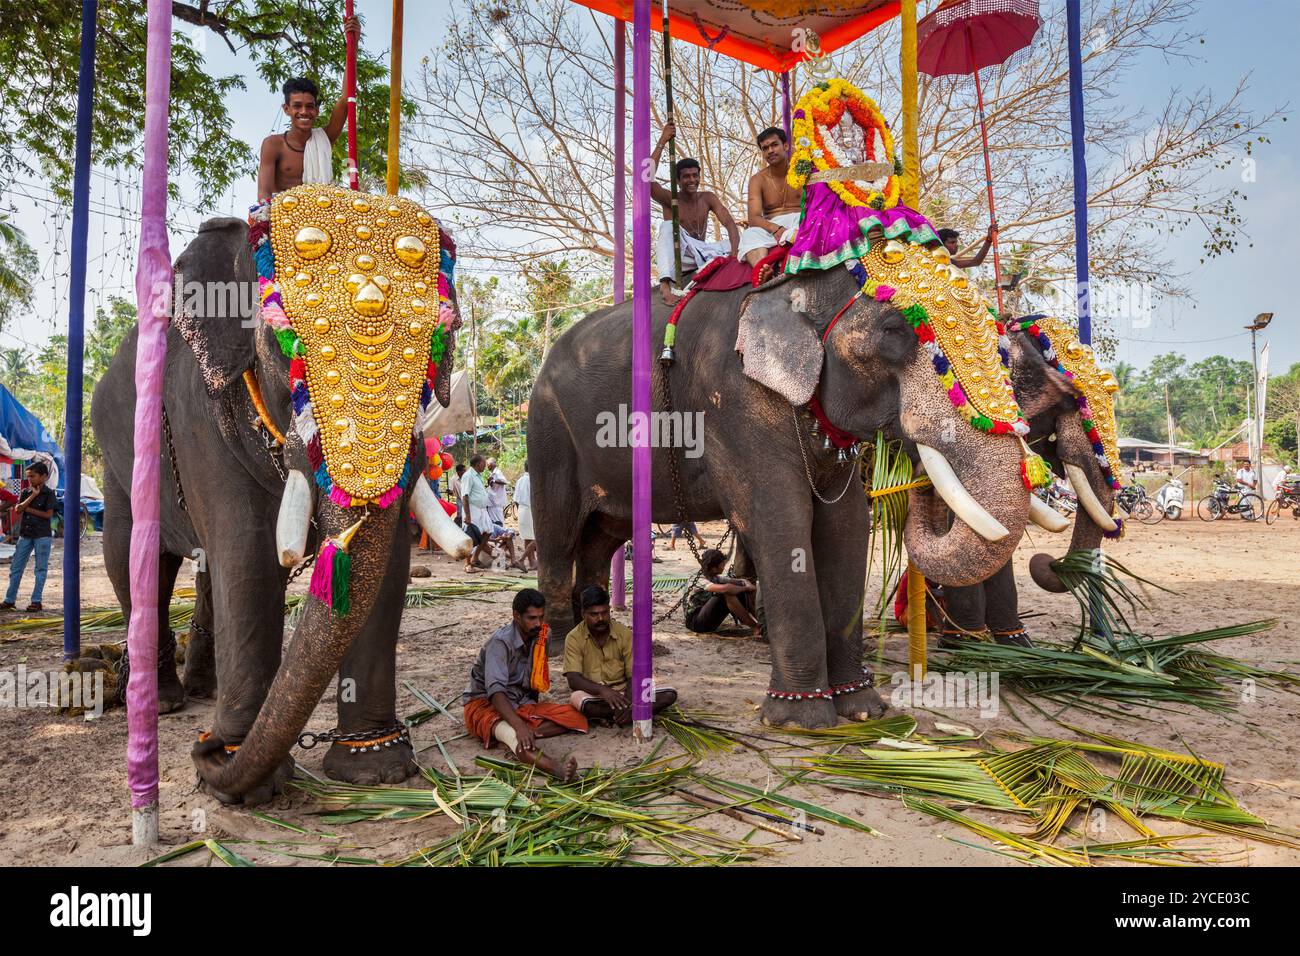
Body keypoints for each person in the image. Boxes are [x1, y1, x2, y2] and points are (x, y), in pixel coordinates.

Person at [462, 589, 587, 780]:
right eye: (531, 618)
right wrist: (519, 726)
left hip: (521, 703)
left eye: (541, 617)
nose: (538, 623)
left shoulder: (544, 635)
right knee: (516, 738)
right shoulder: (500, 643)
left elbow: (534, 682)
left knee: (576, 717)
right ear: (516, 616)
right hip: (485, 705)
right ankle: (557, 769)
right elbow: (495, 693)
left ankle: (528, 731)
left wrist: (528, 716)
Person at [255, 16, 361, 199]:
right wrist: (262, 225)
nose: (304, 112)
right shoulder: (273, 144)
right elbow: (264, 194)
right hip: (286, 222)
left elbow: (345, 99)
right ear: (287, 109)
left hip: (323, 218)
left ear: (316, 111)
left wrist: (353, 44)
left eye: (309, 106)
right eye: (297, 106)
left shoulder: (324, 138)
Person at [651, 122, 739, 305]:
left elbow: (729, 223)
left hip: (704, 252)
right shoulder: (670, 198)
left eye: (694, 175)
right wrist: (662, 140)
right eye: (686, 176)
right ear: (678, 180)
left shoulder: (708, 197)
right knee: (667, 227)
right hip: (681, 257)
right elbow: (645, 181)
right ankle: (665, 286)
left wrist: (736, 251)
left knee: (743, 238)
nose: (692, 180)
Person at [563, 586, 677, 724]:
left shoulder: (624, 633)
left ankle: (618, 715)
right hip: (596, 695)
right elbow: (573, 679)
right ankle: (634, 713)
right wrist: (603, 690)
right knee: (581, 701)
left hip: (627, 692)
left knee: (669, 694)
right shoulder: (574, 637)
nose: (600, 618)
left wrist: (627, 703)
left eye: (604, 612)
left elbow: (634, 674)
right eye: (594, 614)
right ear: (583, 614)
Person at [739, 127, 803, 284]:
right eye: (765, 148)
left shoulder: (802, 170)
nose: (770, 151)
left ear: (786, 146)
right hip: (773, 226)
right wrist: (776, 229)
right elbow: (753, 218)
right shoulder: (758, 179)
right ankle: (763, 270)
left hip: (800, 220)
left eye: (774, 145)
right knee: (749, 235)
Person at [1, 462, 57, 612]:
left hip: (42, 536)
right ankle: (9, 600)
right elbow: (18, 509)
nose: (30, 479)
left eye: (33, 476)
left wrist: (28, 508)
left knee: (40, 569)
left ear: (44, 476)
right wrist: (33, 495)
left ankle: (36, 601)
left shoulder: (49, 493)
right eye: (28, 477)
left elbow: (48, 515)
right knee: (16, 568)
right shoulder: (26, 492)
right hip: (25, 535)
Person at [461, 454, 524, 572]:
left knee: (488, 532)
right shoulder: (468, 476)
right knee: (471, 537)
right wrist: (468, 515)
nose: (485, 466)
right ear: (478, 464)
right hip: (473, 510)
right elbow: (465, 495)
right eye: (484, 464)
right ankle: (467, 564)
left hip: (482, 510)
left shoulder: (478, 476)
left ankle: (475, 558)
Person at [683, 548, 760, 637]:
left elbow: (740, 581)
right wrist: (746, 588)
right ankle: (755, 627)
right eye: (722, 564)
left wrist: (746, 585)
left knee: (737, 590)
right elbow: (725, 589)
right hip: (696, 623)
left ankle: (760, 621)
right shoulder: (698, 579)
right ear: (714, 568)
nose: (724, 566)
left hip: (707, 619)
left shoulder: (714, 577)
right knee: (726, 593)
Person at [929, 225, 995, 270]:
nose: (956, 245)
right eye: (952, 242)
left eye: (956, 242)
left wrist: (989, 240)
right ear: (941, 244)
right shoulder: (930, 259)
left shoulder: (951, 263)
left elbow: (976, 262)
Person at [513, 460, 536, 571]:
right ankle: (521, 559)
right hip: (530, 509)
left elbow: (515, 500)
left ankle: (532, 562)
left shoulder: (520, 480)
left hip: (521, 509)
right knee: (537, 537)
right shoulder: (532, 480)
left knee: (527, 537)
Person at [485, 457, 508, 526]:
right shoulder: (492, 473)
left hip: (496, 502)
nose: (487, 466)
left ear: (491, 464)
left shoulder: (497, 472)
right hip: (492, 502)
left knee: (499, 521)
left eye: (487, 464)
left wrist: (494, 481)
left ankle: (502, 534)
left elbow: (504, 481)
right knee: (493, 522)